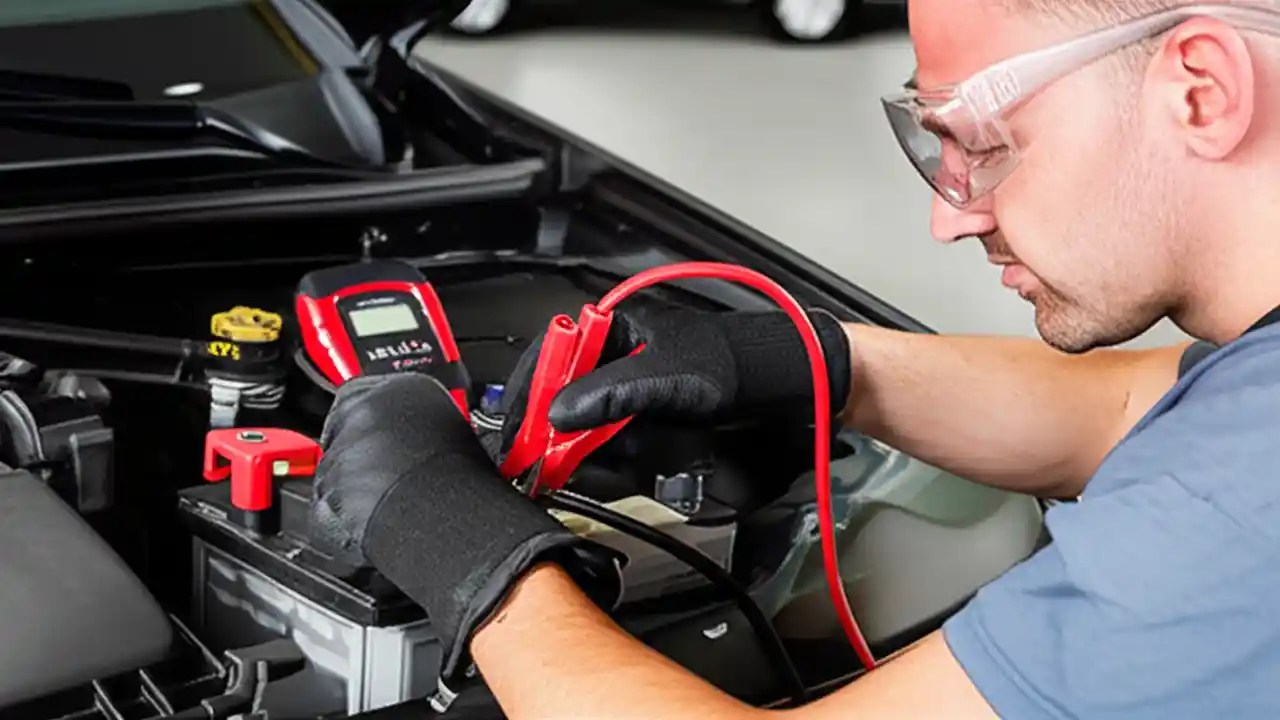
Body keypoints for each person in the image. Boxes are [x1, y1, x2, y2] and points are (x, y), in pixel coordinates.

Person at [308, 0, 1280, 717]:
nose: (949, 216)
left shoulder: (1242, 498)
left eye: (980, 142)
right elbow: (1130, 414)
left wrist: (474, 557)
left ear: (1199, 90)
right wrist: (822, 365)